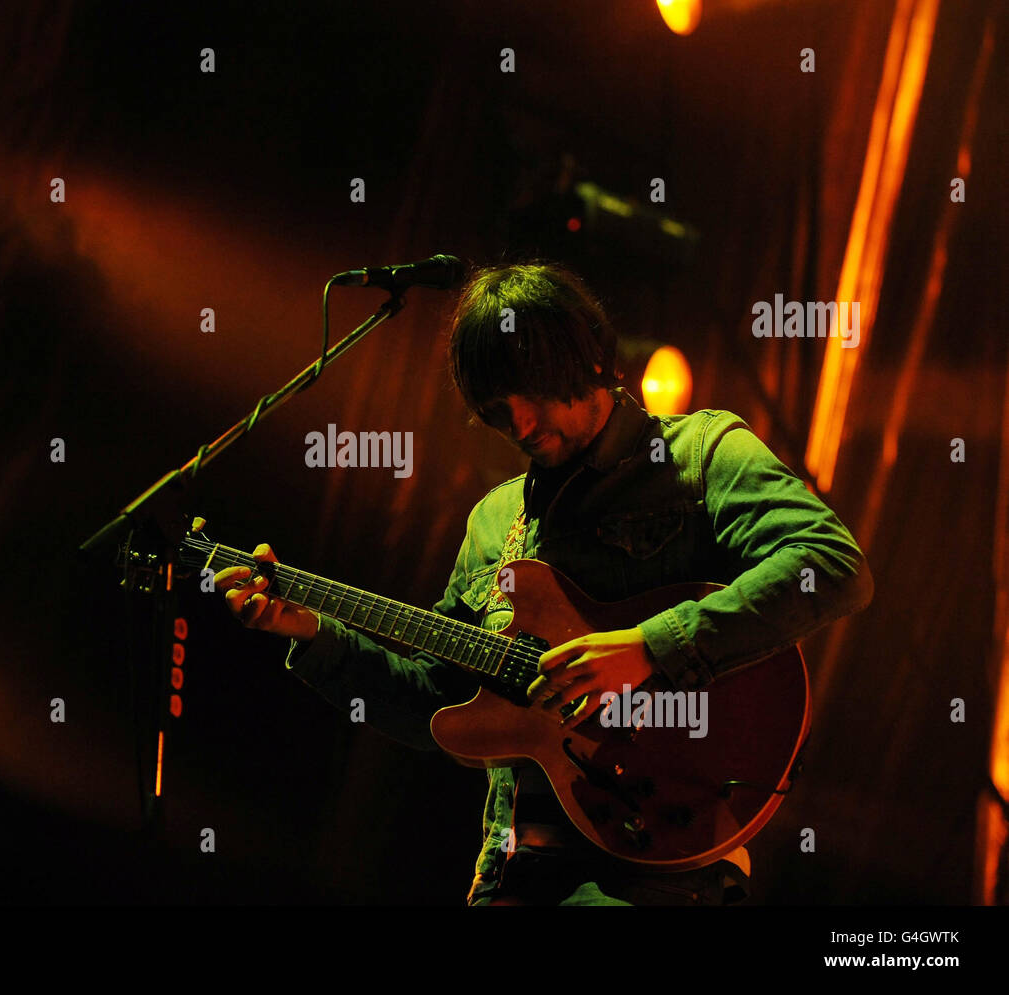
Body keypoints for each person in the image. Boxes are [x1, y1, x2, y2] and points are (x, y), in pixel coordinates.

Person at [211, 261, 874, 905]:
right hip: (513, 868)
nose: (522, 426)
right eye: (499, 411)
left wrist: (648, 647)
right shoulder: (495, 520)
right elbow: (436, 701)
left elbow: (832, 565)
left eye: (535, 392)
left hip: (660, 864)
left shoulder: (701, 453)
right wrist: (314, 634)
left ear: (585, 357)